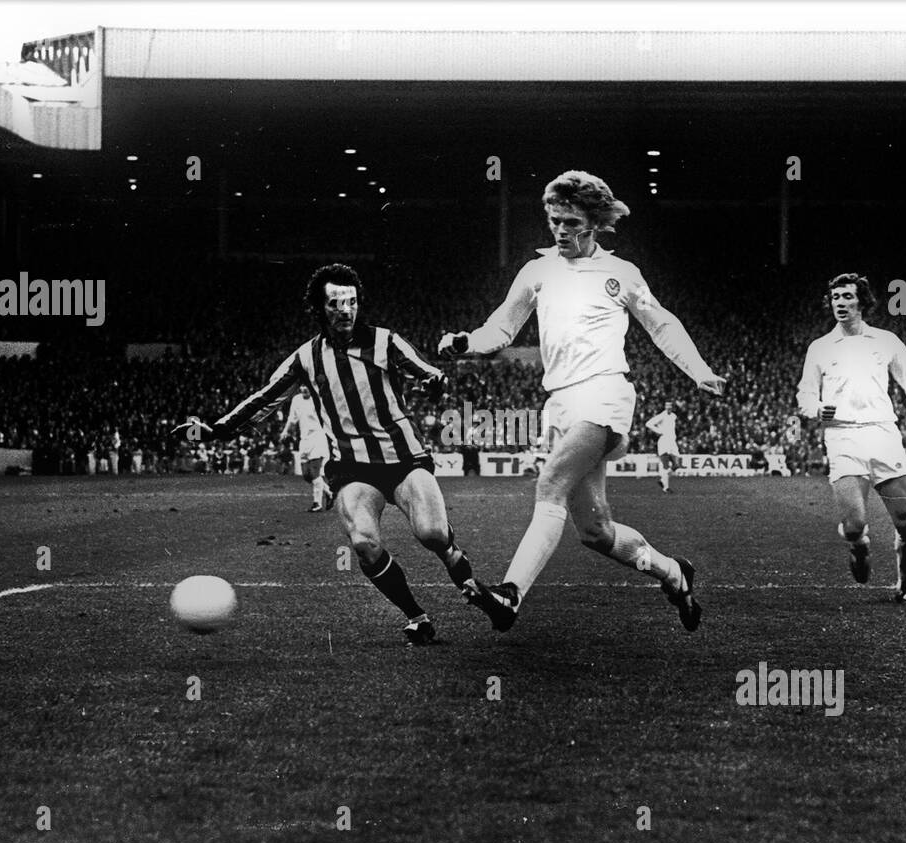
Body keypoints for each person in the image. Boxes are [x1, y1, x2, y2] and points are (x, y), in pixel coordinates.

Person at [438, 170, 726, 632]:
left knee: (549, 483)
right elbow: (502, 328)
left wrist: (699, 370)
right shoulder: (537, 271)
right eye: (554, 220)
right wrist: (464, 343)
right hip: (562, 403)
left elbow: (662, 325)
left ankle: (510, 595)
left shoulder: (621, 273)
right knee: (595, 533)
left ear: (594, 222)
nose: (561, 230)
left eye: (571, 222)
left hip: (606, 393)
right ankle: (673, 571)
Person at [173, 263, 484, 646]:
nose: (346, 310)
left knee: (432, 534)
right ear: (320, 309)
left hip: (404, 458)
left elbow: (428, 373)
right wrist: (216, 429)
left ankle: (468, 579)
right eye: (336, 303)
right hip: (353, 468)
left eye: (352, 302)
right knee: (364, 543)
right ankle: (417, 616)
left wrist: (435, 383)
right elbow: (265, 399)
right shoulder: (306, 358)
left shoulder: (386, 342)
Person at [796, 272, 906, 604]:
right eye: (835, 298)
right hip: (843, 437)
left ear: (862, 300)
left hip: (882, 434)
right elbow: (805, 395)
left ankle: (905, 582)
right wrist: (816, 409)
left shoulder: (885, 341)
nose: (840, 303)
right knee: (853, 525)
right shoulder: (819, 348)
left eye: (847, 296)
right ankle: (858, 545)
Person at [281, 384, 334, 511]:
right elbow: (292, 418)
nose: (304, 389)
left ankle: (317, 504)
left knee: (314, 472)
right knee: (306, 475)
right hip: (304, 440)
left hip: (317, 438)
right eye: (302, 386)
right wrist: (285, 431)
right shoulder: (296, 400)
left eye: (307, 387)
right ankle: (330, 493)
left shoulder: (318, 399)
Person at [645, 400, 681, 492]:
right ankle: (666, 488)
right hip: (664, 442)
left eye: (670, 406)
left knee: (677, 464)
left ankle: (662, 480)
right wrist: (659, 431)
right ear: (665, 407)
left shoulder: (674, 416)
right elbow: (648, 424)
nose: (668, 407)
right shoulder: (661, 416)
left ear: (672, 407)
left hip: (672, 442)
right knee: (666, 465)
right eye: (667, 405)